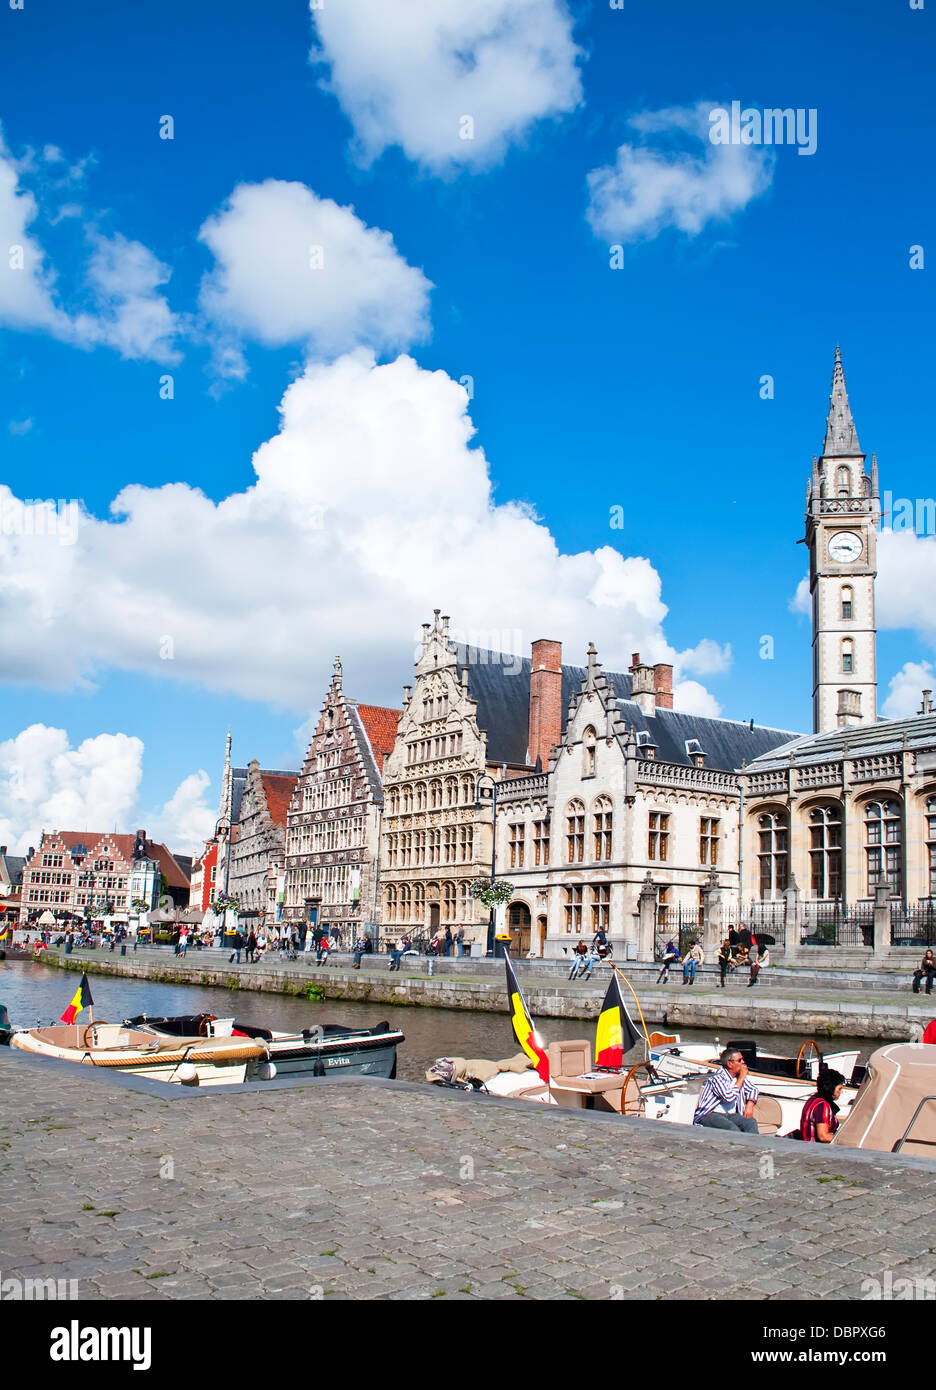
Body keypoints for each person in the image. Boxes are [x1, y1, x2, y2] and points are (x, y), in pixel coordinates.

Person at [692, 1047, 760, 1133]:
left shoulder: (737, 1077)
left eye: (743, 1059)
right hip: (709, 1114)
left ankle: (754, 1146)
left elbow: (753, 1089)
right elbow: (728, 1097)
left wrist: (750, 1104)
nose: (743, 1062)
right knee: (732, 1129)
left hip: (730, 1115)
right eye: (739, 1060)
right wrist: (742, 1077)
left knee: (750, 1123)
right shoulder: (717, 1077)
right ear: (730, 1064)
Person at [797, 1068, 846, 1142]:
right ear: (831, 1088)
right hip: (814, 1149)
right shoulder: (822, 1105)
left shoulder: (812, 1099)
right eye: (839, 1089)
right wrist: (844, 1140)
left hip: (806, 1145)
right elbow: (823, 1136)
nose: (841, 1092)